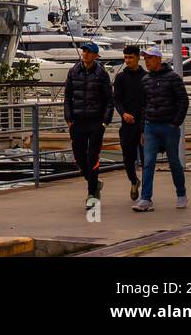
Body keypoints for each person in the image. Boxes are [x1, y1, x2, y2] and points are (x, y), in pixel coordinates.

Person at [133, 46, 189, 212]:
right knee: (148, 162)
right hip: (151, 126)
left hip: (168, 126)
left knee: (174, 162)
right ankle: (145, 198)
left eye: (149, 58)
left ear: (158, 59)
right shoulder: (145, 80)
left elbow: (183, 101)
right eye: (145, 58)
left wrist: (175, 122)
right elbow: (143, 105)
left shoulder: (173, 78)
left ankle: (181, 193)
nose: (146, 61)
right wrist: (143, 128)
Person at [63, 41, 114, 209]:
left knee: (93, 157)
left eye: (88, 51)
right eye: (83, 51)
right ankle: (94, 181)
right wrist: (69, 119)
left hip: (95, 122)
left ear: (95, 55)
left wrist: (105, 122)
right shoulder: (73, 72)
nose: (85, 54)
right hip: (77, 121)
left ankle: (92, 194)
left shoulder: (101, 74)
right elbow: (68, 98)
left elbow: (109, 100)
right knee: (79, 157)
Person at [113, 44, 147, 200]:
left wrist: (144, 125)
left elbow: (149, 101)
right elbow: (117, 100)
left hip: (144, 125)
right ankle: (134, 181)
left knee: (147, 159)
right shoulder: (120, 78)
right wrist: (123, 113)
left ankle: (147, 192)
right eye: (125, 57)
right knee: (128, 158)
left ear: (138, 58)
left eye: (131, 57)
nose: (127, 61)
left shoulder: (146, 77)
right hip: (127, 125)